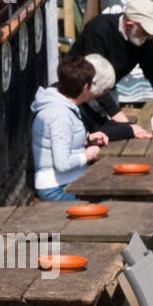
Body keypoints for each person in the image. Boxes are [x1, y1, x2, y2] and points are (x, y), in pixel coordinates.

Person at [69, 0, 153, 127]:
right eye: (146, 32)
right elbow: (94, 77)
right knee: (95, 131)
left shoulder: (143, 38)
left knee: (117, 133)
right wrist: (116, 113)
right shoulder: (99, 29)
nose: (150, 36)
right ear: (130, 25)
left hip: (107, 89)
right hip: (78, 90)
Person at [31, 56, 104, 201]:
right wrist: (87, 155)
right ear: (85, 88)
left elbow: (60, 139)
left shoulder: (62, 106)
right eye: (92, 83)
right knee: (114, 206)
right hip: (57, 189)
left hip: (69, 182)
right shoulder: (60, 115)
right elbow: (62, 164)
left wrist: (87, 138)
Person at [80, 53, 152, 143]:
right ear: (92, 85)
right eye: (104, 91)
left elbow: (100, 124)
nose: (101, 96)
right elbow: (93, 133)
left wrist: (129, 127)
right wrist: (129, 130)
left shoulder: (80, 102)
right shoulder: (66, 102)